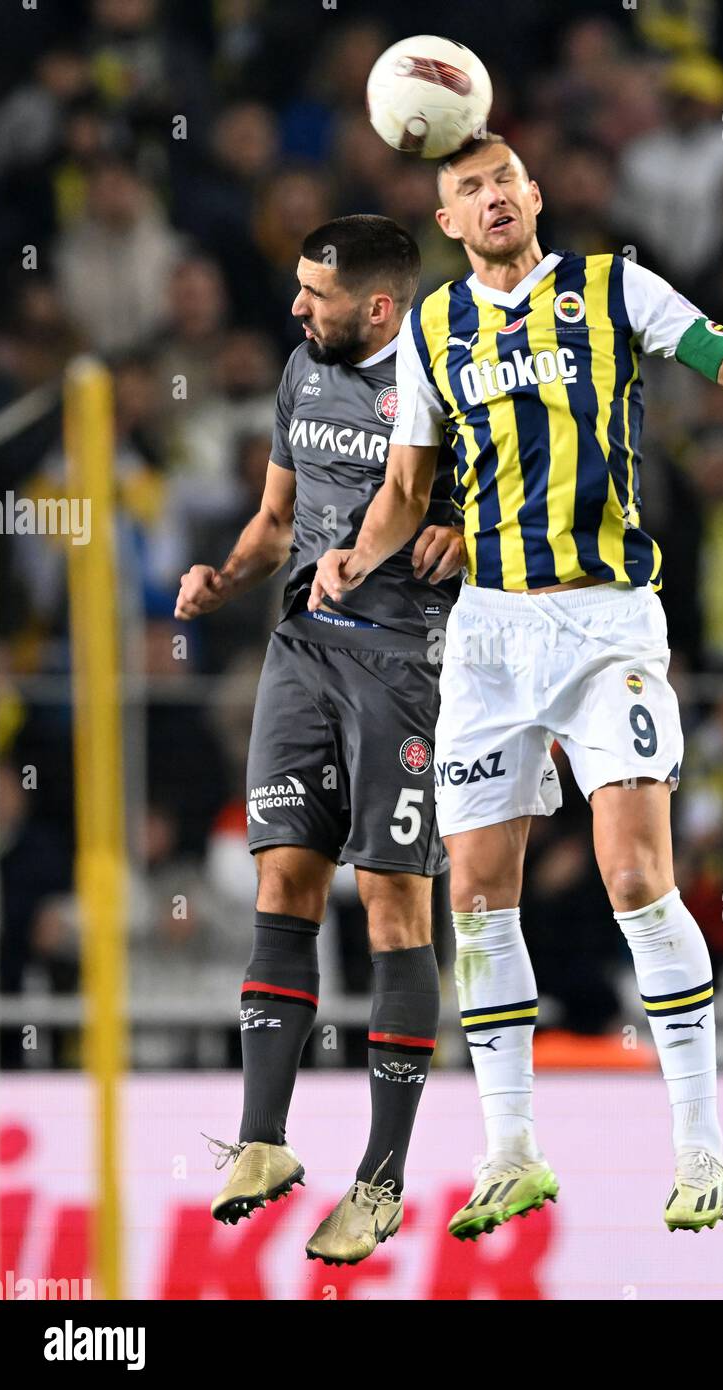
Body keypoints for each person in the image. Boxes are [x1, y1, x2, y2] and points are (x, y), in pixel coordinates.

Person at [312, 135, 723, 1238]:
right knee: (478, 898)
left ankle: (700, 1147)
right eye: (467, 190)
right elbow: (407, 485)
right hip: (489, 635)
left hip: (605, 622)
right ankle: (511, 1151)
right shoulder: (433, 331)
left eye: (504, 181)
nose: (491, 198)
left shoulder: (609, 286)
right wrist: (356, 549)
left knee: (636, 874)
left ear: (536, 196)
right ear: (446, 223)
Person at [174, 215, 465, 1265]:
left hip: (408, 666)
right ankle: (263, 1140)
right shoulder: (303, 370)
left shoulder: (457, 378)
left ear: (379, 308)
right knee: (282, 879)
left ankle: (381, 1181)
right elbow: (275, 519)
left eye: (317, 295)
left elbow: (530, 517)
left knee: (395, 902)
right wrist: (222, 575)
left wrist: (468, 535)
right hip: (300, 650)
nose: (296, 308)